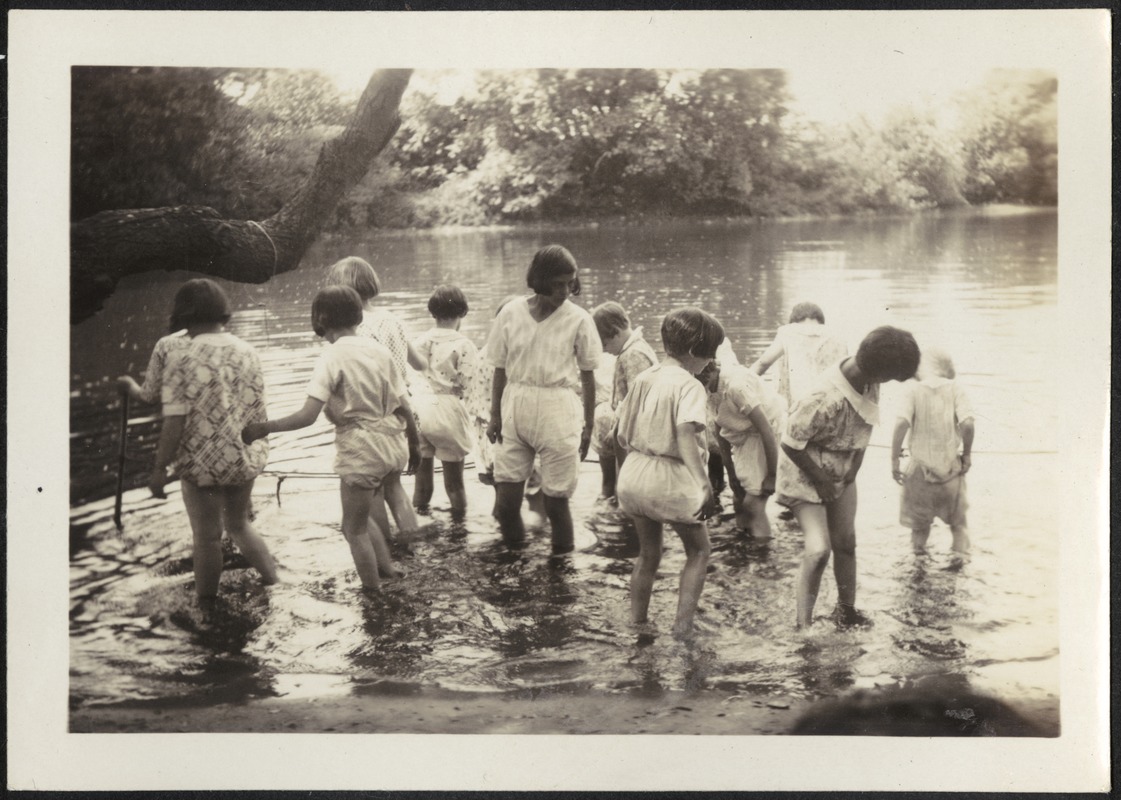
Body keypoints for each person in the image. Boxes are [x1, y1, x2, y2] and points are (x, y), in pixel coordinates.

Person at [242, 286, 419, 592]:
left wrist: (264, 428)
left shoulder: (331, 356)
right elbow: (405, 404)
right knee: (362, 520)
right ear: (357, 315)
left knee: (352, 528)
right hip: (393, 441)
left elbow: (307, 416)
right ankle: (387, 571)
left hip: (361, 447)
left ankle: (373, 594)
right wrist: (414, 444)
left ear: (321, 319)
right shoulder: (379, 351)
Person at [776, 325, 920, 629]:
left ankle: (846, 612)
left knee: (847, 543)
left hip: (842, 467)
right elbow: (790, 443)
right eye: (891, 378)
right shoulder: (822, 397)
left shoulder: (868, 380)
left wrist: (855, 468)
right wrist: (822, 481)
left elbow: (864, 422)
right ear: (880, 374)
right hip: (806, 472)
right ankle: (803, 628)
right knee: (818, 551)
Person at [147, 279, 278, 610]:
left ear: (183, 315)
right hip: (243, 458)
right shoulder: (248, 352)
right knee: (239, 525)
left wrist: (160, 468)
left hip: (201, 465)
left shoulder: (181, 358)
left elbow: (174, 423)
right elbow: (254, 410)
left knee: (207, 538)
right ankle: (276, 584)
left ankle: (206, 607)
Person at [615, 307, 724, 639]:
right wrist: (704, 485)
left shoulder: (644, 378)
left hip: (634, 473)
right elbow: (684, 435)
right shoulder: (689, 386)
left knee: (648, 554)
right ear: (693, 351)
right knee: (699, 551)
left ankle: (637, 623)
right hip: (671, 476)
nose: (712, 361)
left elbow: (618, 432)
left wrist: (623, 478)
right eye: (710, 353)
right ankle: (682, 629)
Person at [486, 245, 602, 555]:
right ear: (540, 280)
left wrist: (588, 426)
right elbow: (499, 367)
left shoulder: (579, 319)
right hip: (515, 404)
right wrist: (494, 414)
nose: (565, 291)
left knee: (556, 502)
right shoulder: (511, 313)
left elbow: (588, 375)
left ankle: (560, 573)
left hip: (558, 407)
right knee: (507, 503)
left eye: (570, 282)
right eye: (558, 283)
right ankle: (516, 560)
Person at [325, 257, 425, 545]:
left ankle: (388, 554)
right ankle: (412, 542)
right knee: (394, 485)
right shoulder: (393, 319)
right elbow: (416, 364)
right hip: (403, 410)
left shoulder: (347, 326)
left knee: (375, 491)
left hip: (369, 416)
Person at [891, 346, 975, 566]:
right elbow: (967, 423)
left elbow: (901, 423)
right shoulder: (956, 388)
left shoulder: (912, 390)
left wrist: (894, 459)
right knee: (959, 525)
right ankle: (958, 562)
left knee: (919, 529)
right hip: (950, 473)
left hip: (919, 473)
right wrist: (966, 455)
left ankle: (919, 566)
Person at [410, 286, 479, 519]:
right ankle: (459, 534)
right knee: (455, 485)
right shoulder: (464, 345)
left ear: (433, 313)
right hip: (448, 410)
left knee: (421, 486)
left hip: (420, 409)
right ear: (462, 314)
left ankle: (418, 523)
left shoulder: (420, 341)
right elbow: (470, 383)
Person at [698, 358, 785, 539]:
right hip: (745, 434)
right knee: (739, 498)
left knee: (753, 504)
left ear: (710, 369)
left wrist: (772, 475)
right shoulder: (705, 387)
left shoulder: (736, 387)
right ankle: (744, 544)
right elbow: (718, 426)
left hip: (769, 432)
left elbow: (766, 429)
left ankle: (763, 554)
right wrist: (730, 472)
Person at [590, 301, 658, 502]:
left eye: (604, 344)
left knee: (628, 476)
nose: (604, 350)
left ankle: (624, 501)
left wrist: (620, 427)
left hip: (633, 428)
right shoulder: (631, 349)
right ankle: (618, 496)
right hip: (627, 425)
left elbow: (639, 399)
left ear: (616, 332)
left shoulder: (633, 355)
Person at [751, 301, 849, 406]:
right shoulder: (836, 334)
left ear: (794, 320)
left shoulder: (789, 331)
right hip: (831, 403)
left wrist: (743, 384)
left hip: (799, 403)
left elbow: (763, 363)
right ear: (820, 321)